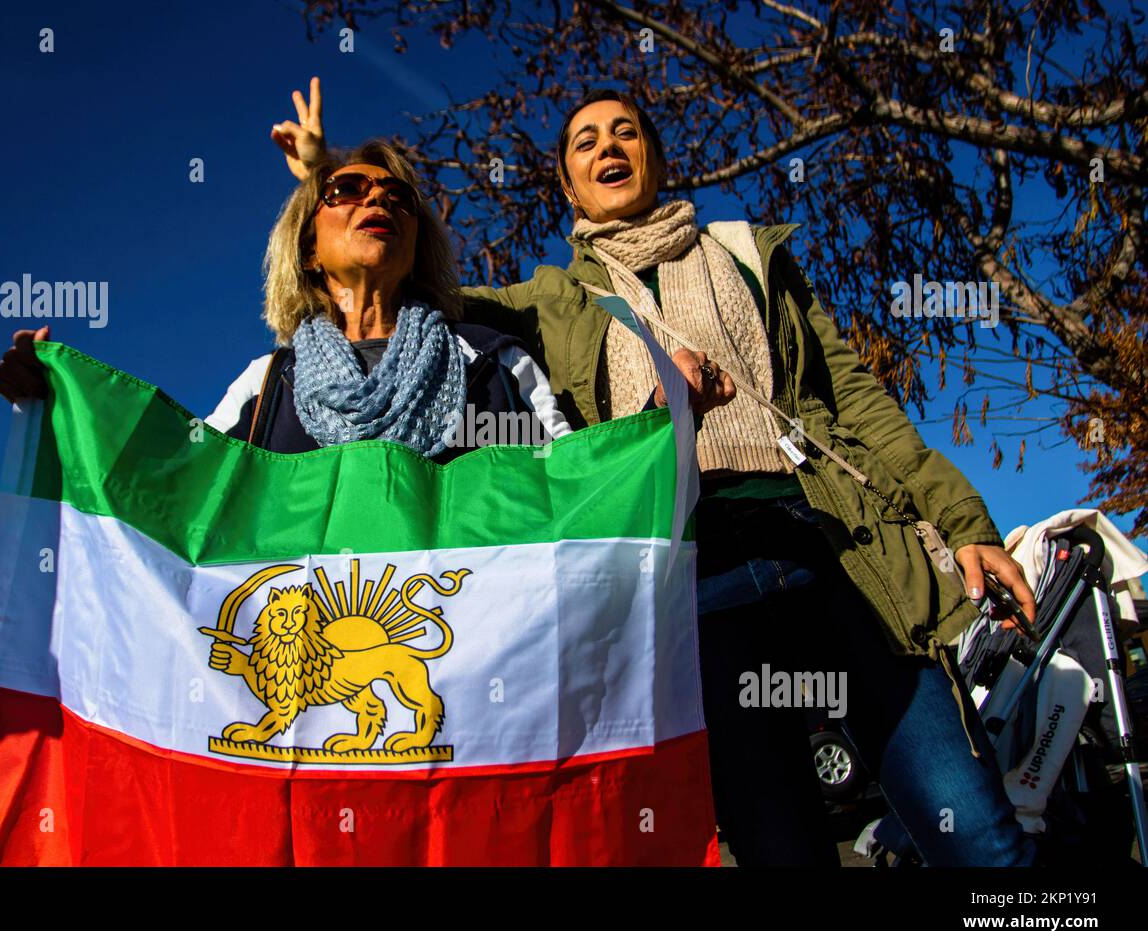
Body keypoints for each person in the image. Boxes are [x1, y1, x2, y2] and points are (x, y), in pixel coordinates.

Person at [280, 80, 1040, 866]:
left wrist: (963, 525)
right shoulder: (552, 300)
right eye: (585, 142)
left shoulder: (750, 256)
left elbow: (857, 404)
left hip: (839, 555)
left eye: (625, 133)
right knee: (784, 855)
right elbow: (398, 275)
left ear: (655, 157)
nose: (609, 147)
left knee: (980, 841)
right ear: (567, 186)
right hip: (694, 593)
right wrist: (320, 181)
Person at [0, 140, 575, 461]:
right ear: (309, 249)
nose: (378, 199)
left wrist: (667, 419)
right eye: (347, 190)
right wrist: (63, 410)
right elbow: (178, 481)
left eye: (398, 197)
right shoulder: (268, 384)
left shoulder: (495, 363)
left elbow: (581, 488)